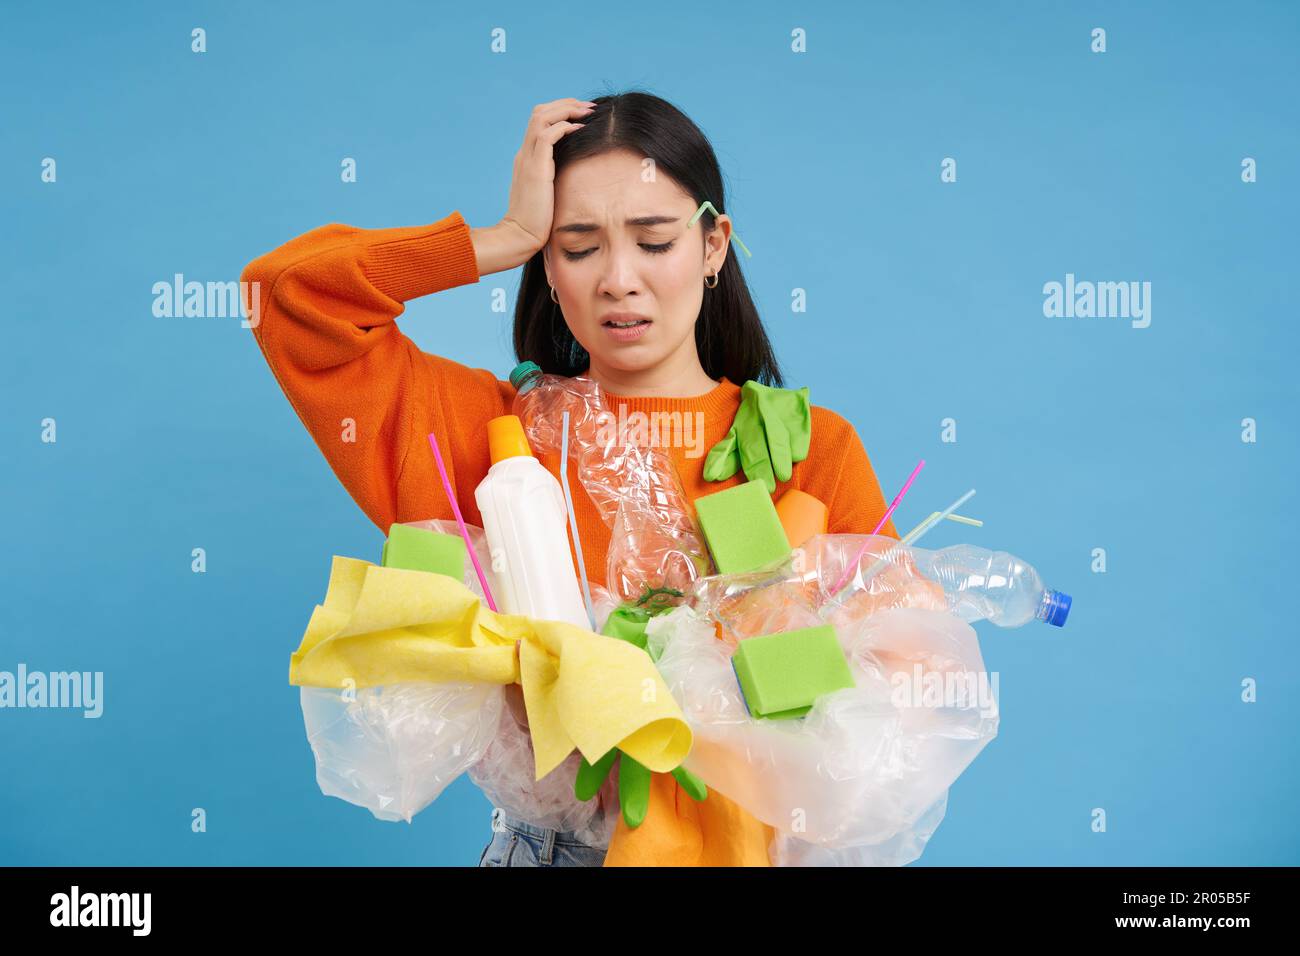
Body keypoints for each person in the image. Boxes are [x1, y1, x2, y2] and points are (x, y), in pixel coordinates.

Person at [242, 89, 899, 867]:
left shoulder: (809, 453)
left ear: (715, 246)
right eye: (579, 246)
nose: (619, 279)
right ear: (547, 266)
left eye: (654, 241)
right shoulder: (494, 441)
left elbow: (900, 681)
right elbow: (286, 294)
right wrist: (497, 238)